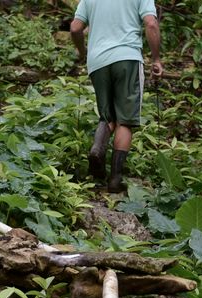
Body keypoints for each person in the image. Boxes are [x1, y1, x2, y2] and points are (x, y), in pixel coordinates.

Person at [70, 0, 163, 193]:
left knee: (107, 116)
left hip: (97, 62)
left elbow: (75, 28)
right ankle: (115, 178)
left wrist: (83, 52)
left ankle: (97, 149)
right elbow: (151, 24)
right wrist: (156, 59)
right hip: (127, 58)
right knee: (125, 121)